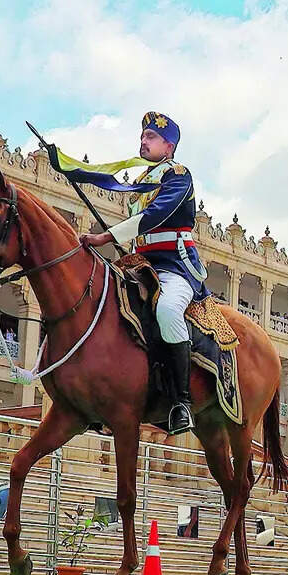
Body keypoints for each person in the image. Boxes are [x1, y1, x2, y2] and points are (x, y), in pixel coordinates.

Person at [79, 111, 210, 435]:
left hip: (175, 266)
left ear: (169, 146)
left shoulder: (178, 175)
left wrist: (105, 237)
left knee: (167, 310)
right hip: (140, 265)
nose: (143, 141)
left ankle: (181, 402)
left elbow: (155, 215)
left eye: (151, 137)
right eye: (142, 136)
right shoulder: (140, 182)